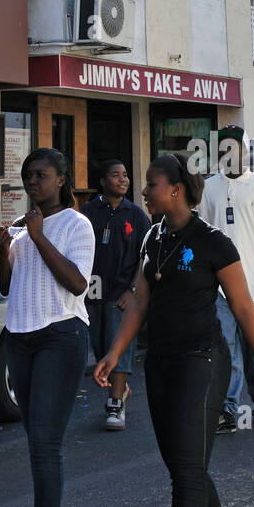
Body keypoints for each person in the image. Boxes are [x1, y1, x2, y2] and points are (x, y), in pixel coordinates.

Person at [94, 152, 254, 507]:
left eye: (151, 184)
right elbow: (139, 300)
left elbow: (244, 308)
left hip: (202, 361)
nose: (144, 191)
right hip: (161, 364)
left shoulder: (213, 242)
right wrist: (115, 352)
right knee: (185, 468)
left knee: (186, 472)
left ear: (176, 190)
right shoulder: (154, 236)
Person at [0, 148, 96, 507]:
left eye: (41, 175)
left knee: (45, 440)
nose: (32, 182)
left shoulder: (77, 224)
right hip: (19, 336)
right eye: (27, 175)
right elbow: (4, 286)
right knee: (38, 441)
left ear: (61, 178)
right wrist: (5, 249)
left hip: (61, 334)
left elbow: (76, 282)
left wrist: (38, 237)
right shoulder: (21, 226)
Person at [198, 125, 254, 434]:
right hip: (221, 289)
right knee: (226, 347)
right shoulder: (208, 188)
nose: (228, 154)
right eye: (223, 149)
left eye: (234, 148)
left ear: (245, 151)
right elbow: (203, 236)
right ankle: (227, 409)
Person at [81, 158, 150, 429]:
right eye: (115, 175)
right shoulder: (88, 212)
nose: (123, 180)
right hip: (93, 292)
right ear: (102, 181)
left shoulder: (136, 215)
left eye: (125, 175)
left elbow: (146, 256)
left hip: (122, 294)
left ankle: (115, 403)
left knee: (117, 347)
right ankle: (120, 388)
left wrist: (132, 290)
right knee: (100, 350)